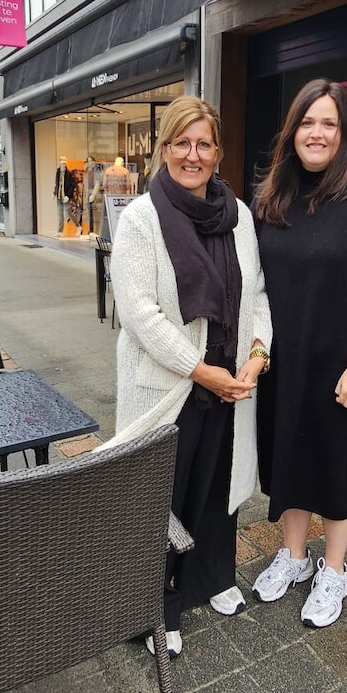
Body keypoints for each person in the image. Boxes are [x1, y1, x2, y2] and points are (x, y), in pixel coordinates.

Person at [109, 96, 273, 657]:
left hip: (228, 383)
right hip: (172, 386)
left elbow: (256, 294)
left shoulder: (239, 217)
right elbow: (140, 315)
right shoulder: (141, 219)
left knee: (214, 487)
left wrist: (257, 353)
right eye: (182, 142)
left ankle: (212, 579)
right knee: (163, 499)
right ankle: (154, 609)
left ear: (218, 152)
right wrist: (202, 371)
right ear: (164, 150)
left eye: (204, 144)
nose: (193, 155)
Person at [251, 78, 347, 629]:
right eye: (307, 123)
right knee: (287, 457)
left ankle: (334, 570)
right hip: (283, 362)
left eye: (329, 124)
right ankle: (294, 557)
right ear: (292, 131)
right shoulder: (272, 196)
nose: (316, 133)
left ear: (344, 135)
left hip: (344, 363)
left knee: (337, 465)